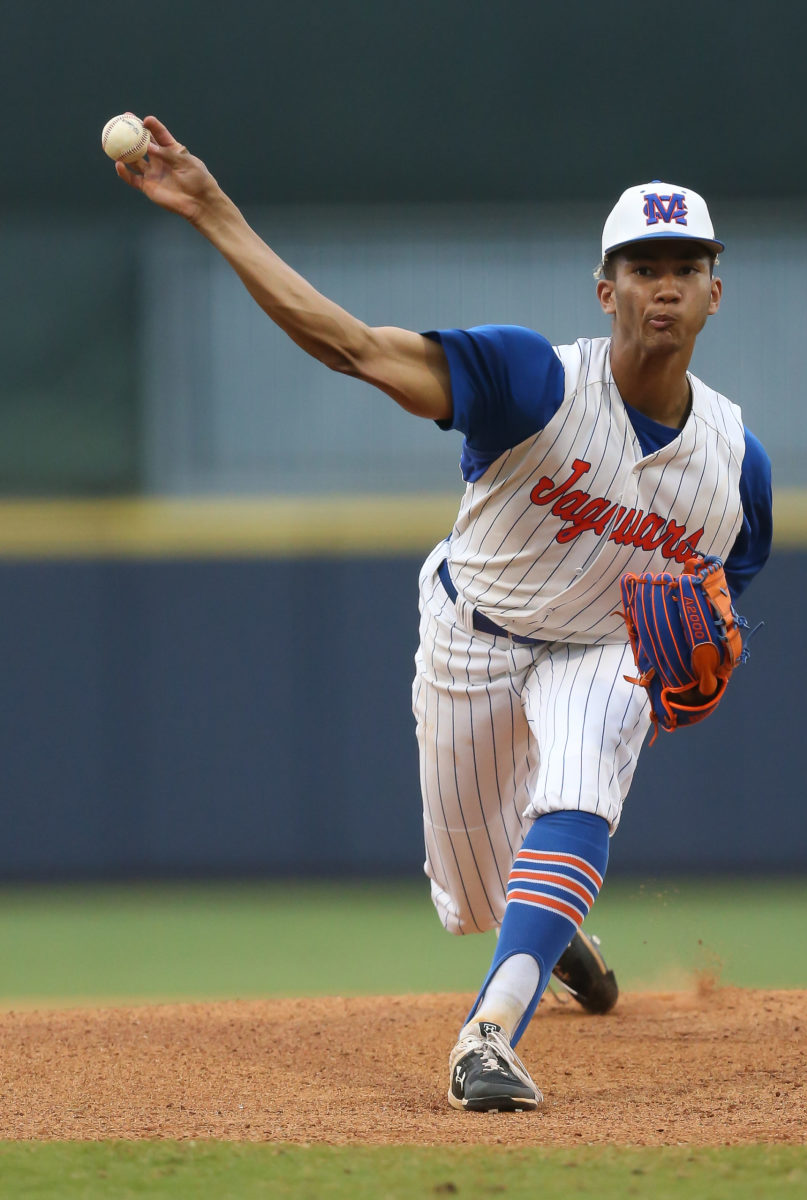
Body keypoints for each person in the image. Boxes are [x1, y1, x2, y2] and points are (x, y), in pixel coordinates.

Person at [116, 118, 772, 1113]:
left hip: (603, 648)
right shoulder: (532, 382)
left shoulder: (736, 463)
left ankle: (487, 1035)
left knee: (580, 790)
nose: (666, 286)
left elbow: (727, 589)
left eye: (688, 267)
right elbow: (350, 347)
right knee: (475, 895)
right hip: (474, 636)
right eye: (644, 267)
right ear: (606, 291)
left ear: (717, 291)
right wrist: (211, 209)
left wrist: (713, 644)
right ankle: (555, 933)